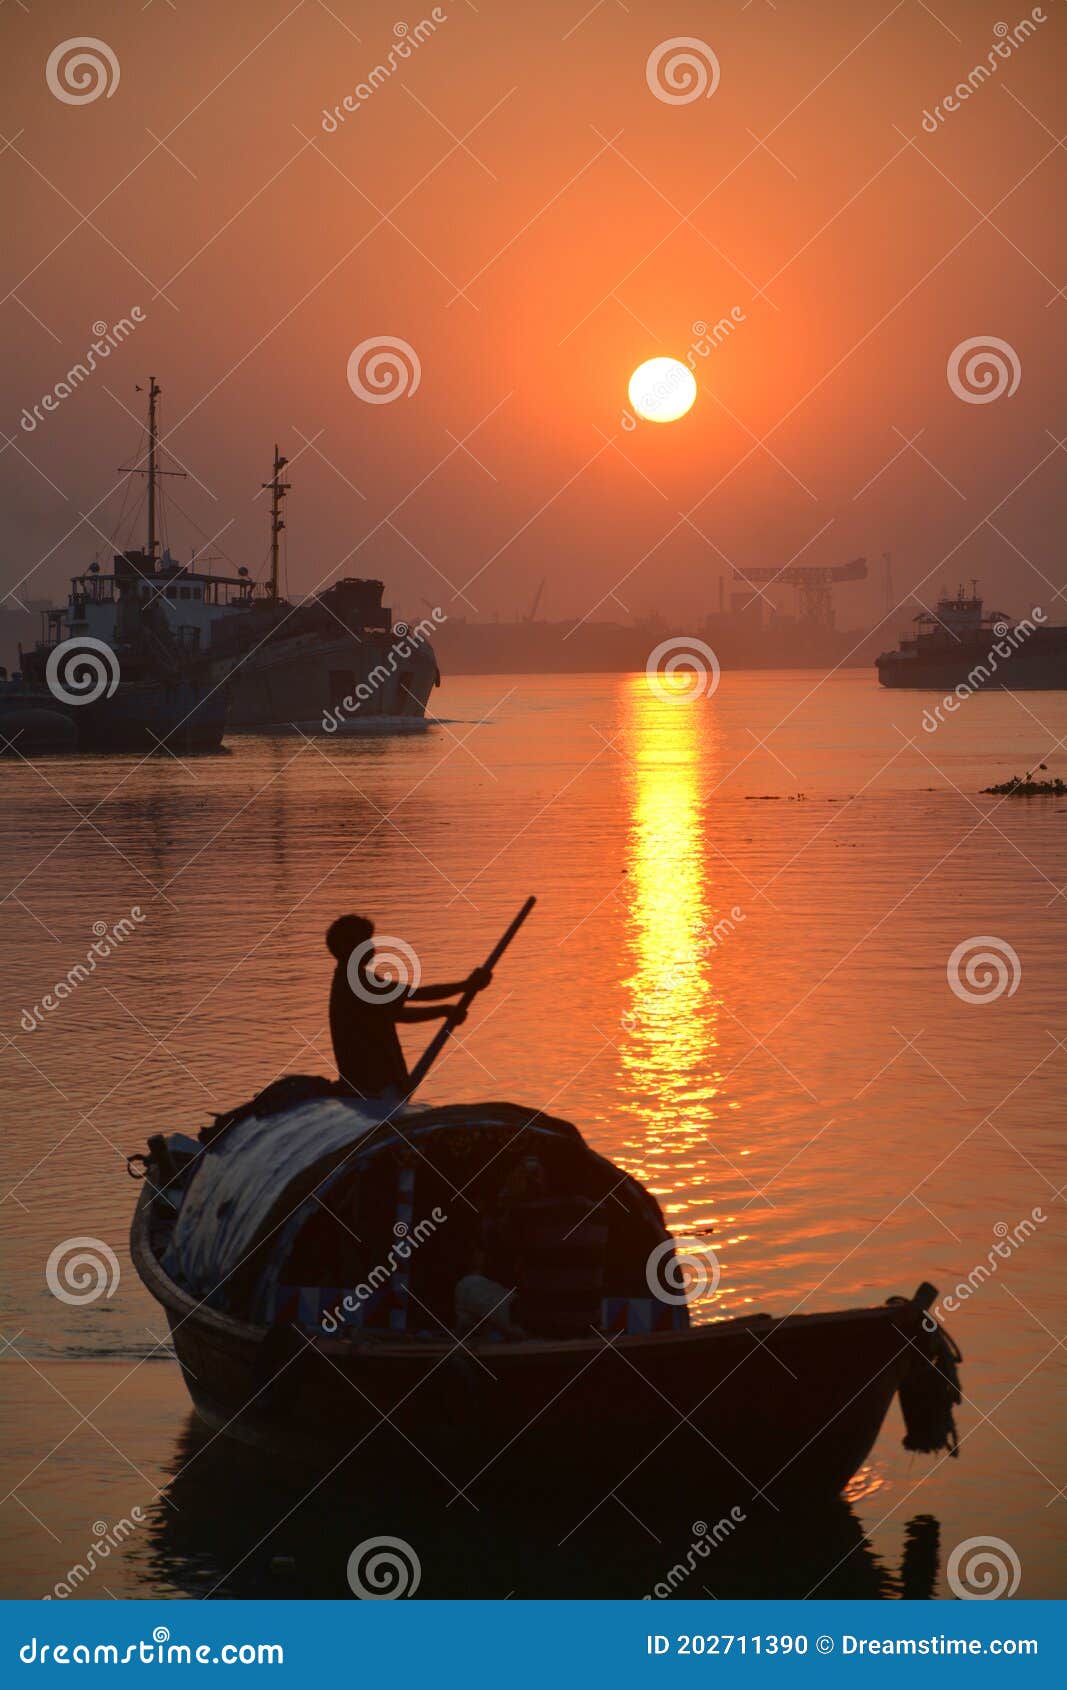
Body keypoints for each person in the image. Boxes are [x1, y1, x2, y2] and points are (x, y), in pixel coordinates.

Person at [326, 914, 491, 1100]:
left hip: (375, 1084)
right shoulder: (356, 981)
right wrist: (466, 986)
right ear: (346, 948)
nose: (372, 948)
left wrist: (443, 1010)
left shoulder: (352, 979)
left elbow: (397, 1014)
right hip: (372, 1086)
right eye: (364, 942)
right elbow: (417, 994)